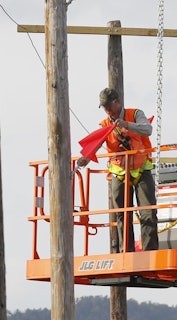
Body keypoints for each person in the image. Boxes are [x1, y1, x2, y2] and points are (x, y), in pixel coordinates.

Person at [76, 87, 159, 251]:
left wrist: (127, 125)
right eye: (104, 107)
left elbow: (147, 129)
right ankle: (125, 251)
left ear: (118, 102)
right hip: (119, 173)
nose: (107, 111)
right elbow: (98, 142)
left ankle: (150, 251)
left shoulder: (135, 114)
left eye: (109, 106)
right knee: (121, 214)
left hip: (141, 169)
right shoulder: (106, 124)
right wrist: (85, 159)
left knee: (148, 212)